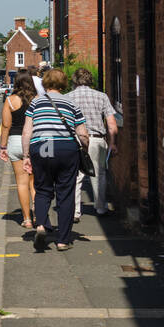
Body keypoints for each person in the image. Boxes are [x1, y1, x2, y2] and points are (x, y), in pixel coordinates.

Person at [20, 68, 89, 252]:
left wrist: (26, 155)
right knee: (65, 193)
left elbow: (27, 130)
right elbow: (82, 134)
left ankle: (41, 225)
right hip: (65, 148)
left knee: (42, 189)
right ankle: (63, 240)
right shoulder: (71, 103)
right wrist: (85, 149)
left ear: (45, 83)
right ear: (64, 83)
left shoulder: (36, 103)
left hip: (42, 145)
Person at [67, 68, 118, 218]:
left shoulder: (68, 97)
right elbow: (111, 123)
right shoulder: (101, 96)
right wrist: (113, 143)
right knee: (99, 174)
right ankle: (101, 207)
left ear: (74, 80)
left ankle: (75, 212)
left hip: (76, 139)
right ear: (90, 80)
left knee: (76, 176)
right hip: (97, 139)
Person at [0, 73, 38, 230]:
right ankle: (39, 216)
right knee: (34, 182)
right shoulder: (37, 100)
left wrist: (3, 147)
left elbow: (6, 125)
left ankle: (27, 219)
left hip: (15, 141)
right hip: (34, 141)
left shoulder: (10, 100)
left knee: (21, 183)